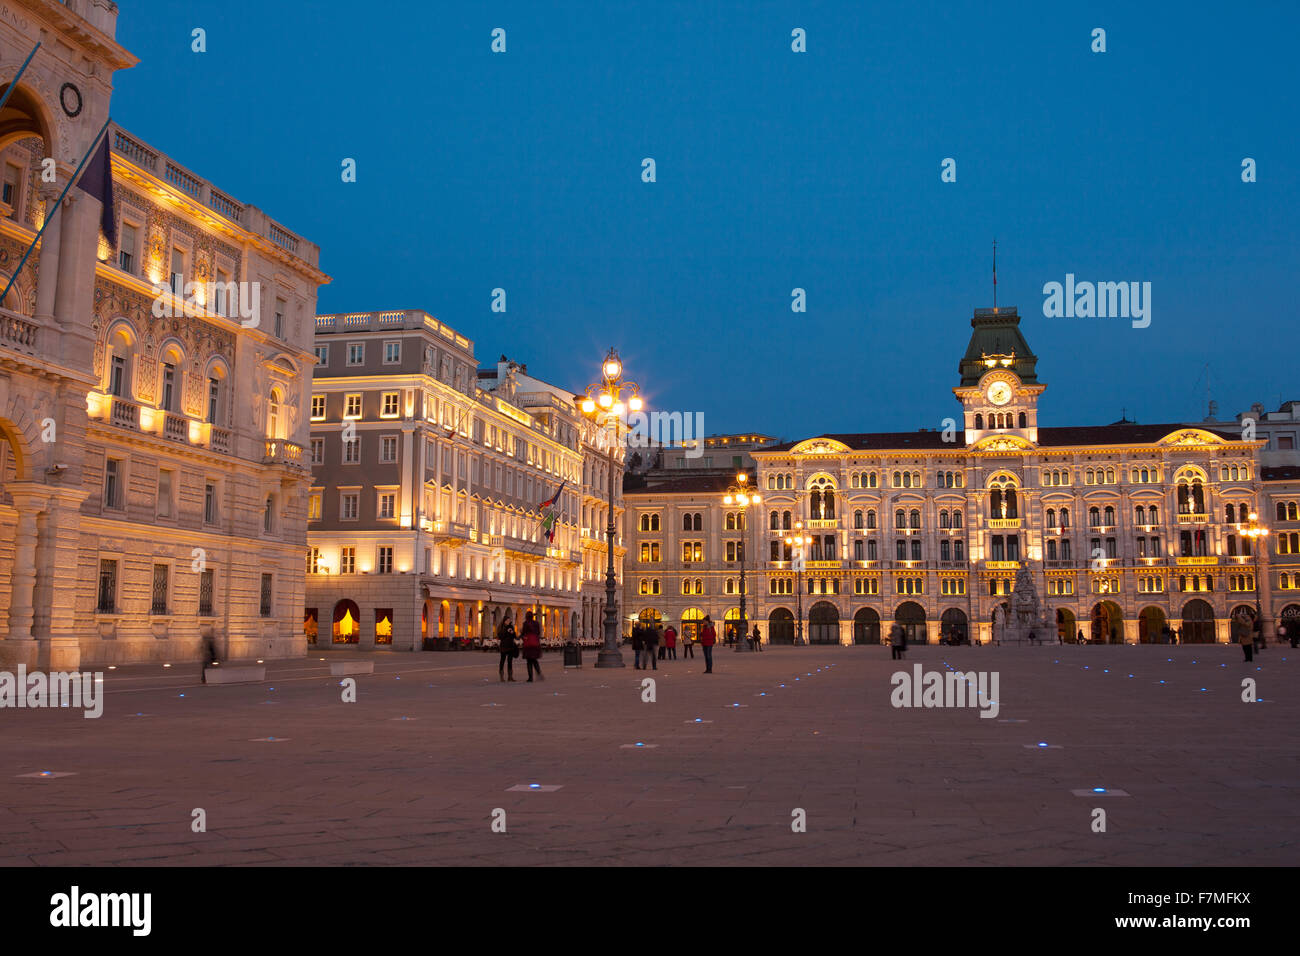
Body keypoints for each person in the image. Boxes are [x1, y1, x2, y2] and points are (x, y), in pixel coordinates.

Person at [521, 610, 544, 681]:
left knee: (529, 662)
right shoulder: (536, 623)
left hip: (528, 644)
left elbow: (523, 633)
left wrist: (521, 634)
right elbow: (539, 633)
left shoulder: (525, 623)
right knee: (534, 660)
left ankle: (530, 677)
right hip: (535, 644)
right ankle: (539, 672)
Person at [497, 613, 519, 682]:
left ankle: (510, 677)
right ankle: (501, 677)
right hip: (503, 646)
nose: (509, 621)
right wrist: (506, 631)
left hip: (510, 646)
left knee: (510, 661)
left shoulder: (511, 627)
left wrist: (512, 632)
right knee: (502, 661)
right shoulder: (501, 627)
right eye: (507, 620)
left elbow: (515, 636)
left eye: (509, 620)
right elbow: (500, 637)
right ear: (504, 621)